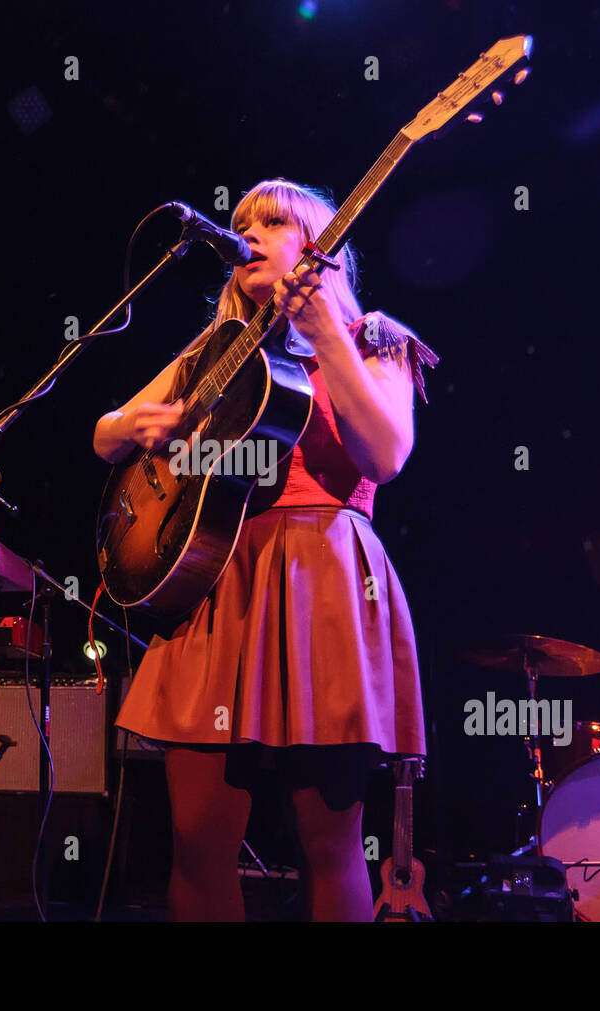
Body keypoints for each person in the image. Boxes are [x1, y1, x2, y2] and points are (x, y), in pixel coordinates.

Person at [92, 179, 437, 921]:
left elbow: (385, 456)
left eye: (272, 221)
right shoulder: (215, 352)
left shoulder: (376, 337)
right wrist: (136, 427)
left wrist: (326, 333)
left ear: (320, 243)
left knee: (329, 844)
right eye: (241, 222)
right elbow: (105, 432)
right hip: (214, 576)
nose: (247, 233)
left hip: (324, 579)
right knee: (196, 842)